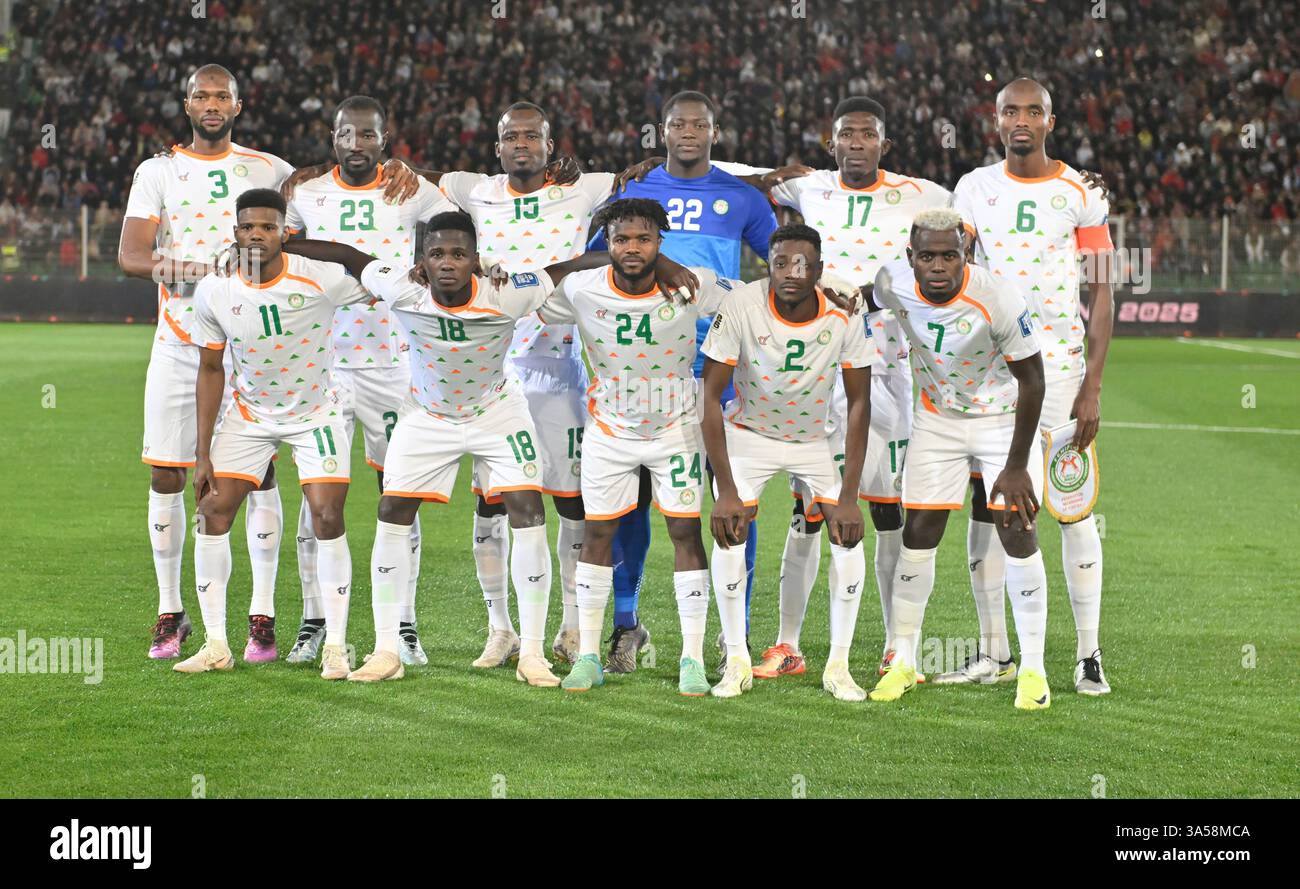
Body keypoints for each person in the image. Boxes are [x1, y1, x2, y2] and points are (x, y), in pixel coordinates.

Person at [119, 65, 293, 663]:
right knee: (167, 475)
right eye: (201, 95)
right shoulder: (158, 171)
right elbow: (132, 256)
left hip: (249, 350)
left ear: (239, 106)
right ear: (186, 102)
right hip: (177, 343)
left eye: (222, 96)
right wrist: (204, 273)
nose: (212, 104)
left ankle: (262, 618)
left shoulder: (269, 169)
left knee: (258, 476)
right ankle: (171, 612)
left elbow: (315, 210)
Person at [948, 78, 1115, 694]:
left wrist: (1092, 386)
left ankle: (1088, 654)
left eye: (1033, 111)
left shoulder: (1081, 191)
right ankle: (995, 653)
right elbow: (952, 273)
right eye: (1010, 111)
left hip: (1064, 371)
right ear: (996, 121)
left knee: (1072, 511)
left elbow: (1101, 292)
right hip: (992, 376)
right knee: (991, 509)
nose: (1021, 120)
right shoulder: (972, 188)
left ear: (1051, 120)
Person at [540, 198, 740, 696]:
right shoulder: (582, 289)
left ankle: (691, 659)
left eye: (644, 239)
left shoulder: (691, 284)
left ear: (660, 242)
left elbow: (749, 299)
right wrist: (597, 259)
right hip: (609, 433)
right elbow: (540, 283)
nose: (633, 248)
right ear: (606, 244)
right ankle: (588, 656)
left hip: (677, 432)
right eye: (622, 239)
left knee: (684, 534)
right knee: (597, 535)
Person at [281, 95, 454, 668]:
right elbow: (278, 244)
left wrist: (423, 176)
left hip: (394, 364)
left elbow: (462, 229)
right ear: (332, 137)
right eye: (346, 135)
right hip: (322, 364)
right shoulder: (304, 192)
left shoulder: (414, 191)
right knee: (317, 497)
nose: (357, 145)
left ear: (386, 138)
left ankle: (401, 624)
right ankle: (314, 621)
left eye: (368, 135)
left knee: (398, 497)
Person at [176, 188, 367, 679]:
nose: (256, 234)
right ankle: (217, 643)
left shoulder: (322, 279)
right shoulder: (215, 290)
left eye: (267, 226)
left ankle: (337, 648)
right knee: (212, 511)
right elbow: (211, 369)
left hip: (316, 413)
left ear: (285, 231)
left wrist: (344, 253)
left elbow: (378, 277)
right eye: (247, 227)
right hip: (249, 416)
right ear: (234, 233)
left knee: (327, 516)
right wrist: (202, 454)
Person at [868, 209, 1051, 710]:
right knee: (919, 531)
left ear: (965, 253)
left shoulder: (997, 297)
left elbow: (1033, 381)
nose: (939, 265)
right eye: (927, 255)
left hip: (1000, 420)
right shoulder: (894, 285)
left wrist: (1015, 468)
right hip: (936, 420)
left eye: (950, 254)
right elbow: (864, 294)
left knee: (1016, 527)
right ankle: (903, 660)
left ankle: (1032, 671)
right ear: (911, 257)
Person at [700, 224, 881, 699]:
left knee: (845, 535)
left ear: (819, 271)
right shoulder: (741, 304)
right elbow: (710, 396)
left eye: (802, 264)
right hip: (748, 435)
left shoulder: (843, 313)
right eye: (781, 262)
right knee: (730, 530)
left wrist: (849, 496)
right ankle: (736, 658)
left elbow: (860, 404)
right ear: (768, 265)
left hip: (813, 441)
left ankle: (837, 666)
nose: (791, 273)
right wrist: (725, 490)